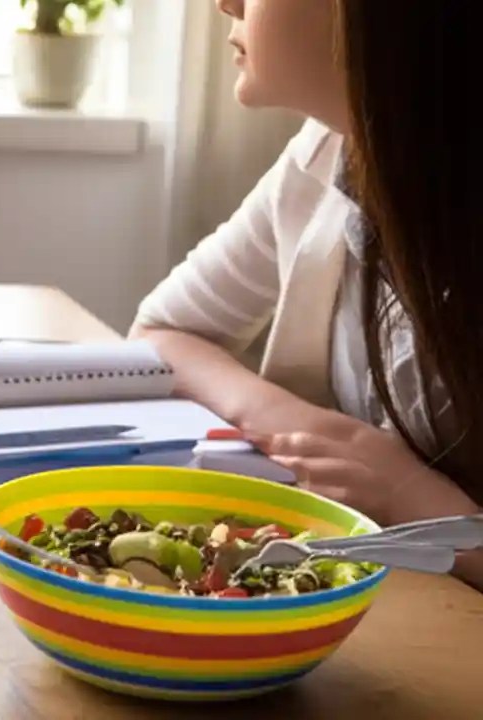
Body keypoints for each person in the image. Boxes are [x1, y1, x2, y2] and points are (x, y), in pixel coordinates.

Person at [129, 0, 483, 590]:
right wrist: (312, 433)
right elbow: (166, 334)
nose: (227, 4)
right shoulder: (332, 150)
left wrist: (408, 495)